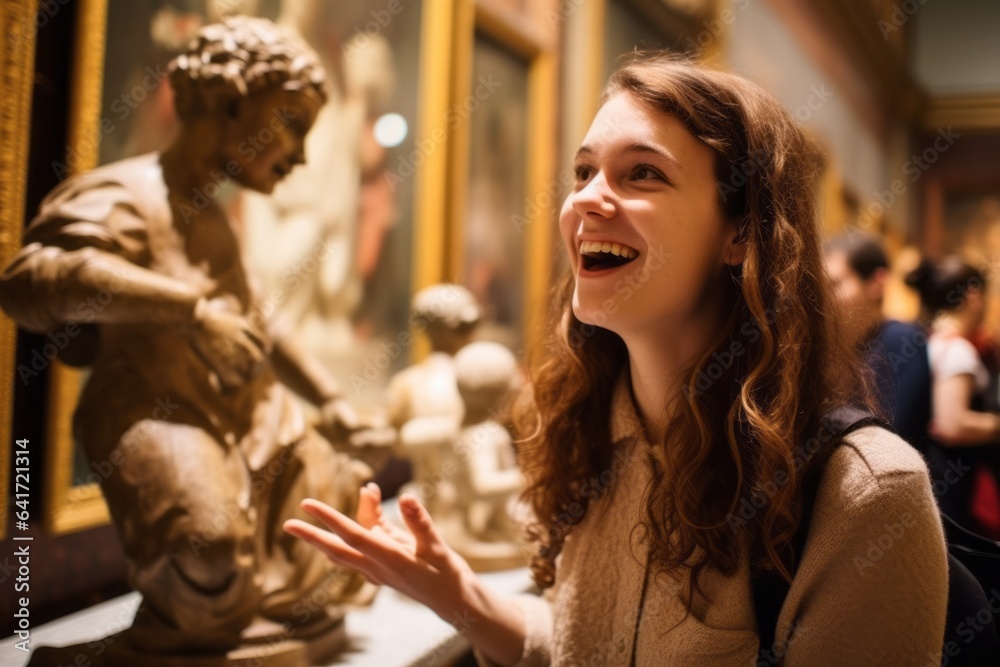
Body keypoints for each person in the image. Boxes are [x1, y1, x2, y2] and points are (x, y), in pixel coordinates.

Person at [284, 52, 949, 665]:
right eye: (583, 172)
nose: (584, 199)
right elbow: (579, 643)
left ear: (741, 234)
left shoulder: (868, 495)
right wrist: (459, 595)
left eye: (643, 173)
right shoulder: (588, 431)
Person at [0, 17, 373, 658]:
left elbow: (260, 321)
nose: (302, 156)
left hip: (252, 418)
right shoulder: (125, 193)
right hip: (155, 411)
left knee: (337, 525)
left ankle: (264, 604)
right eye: (292, 124)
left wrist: (330, 398)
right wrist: (191, 311)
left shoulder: (217, 220)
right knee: (209, 552)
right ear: (230, 101)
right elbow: (30, 282)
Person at [906, 257, 1000, 540]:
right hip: (955, 481)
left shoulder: (930, 339)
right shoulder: (957, 349)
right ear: (973, 296)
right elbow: (953, 425)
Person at [823, 233, 934, 454]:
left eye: (834, 285)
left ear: (877, 283)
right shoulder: (832, 346)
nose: (822, 298)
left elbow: (890, 432)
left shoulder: (902, 339)